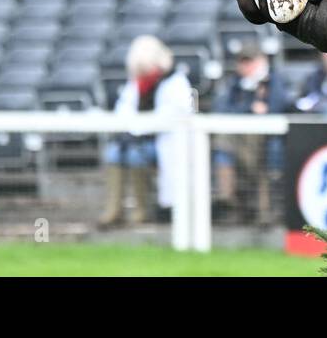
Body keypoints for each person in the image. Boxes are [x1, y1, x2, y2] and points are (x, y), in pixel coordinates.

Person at [99, 36, 193, 228]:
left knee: (135, 155)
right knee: (113, 153)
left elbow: (169, 116)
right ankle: (113, 210)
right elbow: (124, 108)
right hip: (137, 137)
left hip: (165, 142)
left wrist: (138, 129)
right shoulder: (136, 83)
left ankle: (142, 210)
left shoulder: (175, 82)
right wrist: (130, 129)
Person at [211, 44, 291, 224]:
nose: (246, 67)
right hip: (240, 141)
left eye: (250, 62)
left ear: (261, 61)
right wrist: (249, 106)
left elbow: (276, 108)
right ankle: (226, 199)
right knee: (223, 142)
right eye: (243, 62)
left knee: (230, 144)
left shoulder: (274, 81)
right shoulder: (236, 84)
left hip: (267, 141)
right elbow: (221, 109)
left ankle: (262, 211)